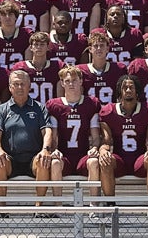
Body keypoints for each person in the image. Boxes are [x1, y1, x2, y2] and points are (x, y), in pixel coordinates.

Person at [0, 70, 54, 214]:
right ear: (10, 87)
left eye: (23, 84)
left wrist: (45, 149)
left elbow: (47, 131)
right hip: (10, 159)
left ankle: (39, 208)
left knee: (43, 160)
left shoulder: (39, 107)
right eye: (16, 84)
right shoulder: (2, 109)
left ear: (29, 86)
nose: (19, 87)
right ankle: (2, 209)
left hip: (33, 158)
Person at [47, 66, 102, 206]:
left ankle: (93, 206)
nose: (71, 84)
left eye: (74, 80)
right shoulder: (55, 105)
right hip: (64, 156)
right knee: (55, 163)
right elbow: (53, 135)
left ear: (81, 81)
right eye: (67, 81)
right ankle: (58, 205)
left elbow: (95, 135)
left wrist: (95, 147)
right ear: (62, 83)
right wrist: (54, 150)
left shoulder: (91, 104)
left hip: (82, 155)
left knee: (94, 162)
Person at [98, 75, 148, 199]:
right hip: (119, 160)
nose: (128, 90)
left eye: (131, 87)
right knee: (105, 160)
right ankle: (110, 203)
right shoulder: (109, 112)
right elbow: (106, 141)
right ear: (119, 91)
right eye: (125, 87)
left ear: (137, 91)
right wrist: (103, 151)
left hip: (139, 160)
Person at [11, 32, 63, 105]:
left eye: (42, 44)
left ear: (48, 47)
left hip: (49, 111)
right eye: (36, 44)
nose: (39, 47)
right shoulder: (20, 67)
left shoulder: (57, 66)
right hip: (27, 110)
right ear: (31, 47)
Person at [78, 32, 128, 106]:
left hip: (111, 114)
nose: (99, 48)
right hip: (90, 114)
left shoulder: (119, 69)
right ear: (90, 49)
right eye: (95, 46)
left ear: (107, 49)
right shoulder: (81, 71)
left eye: (102, 45)